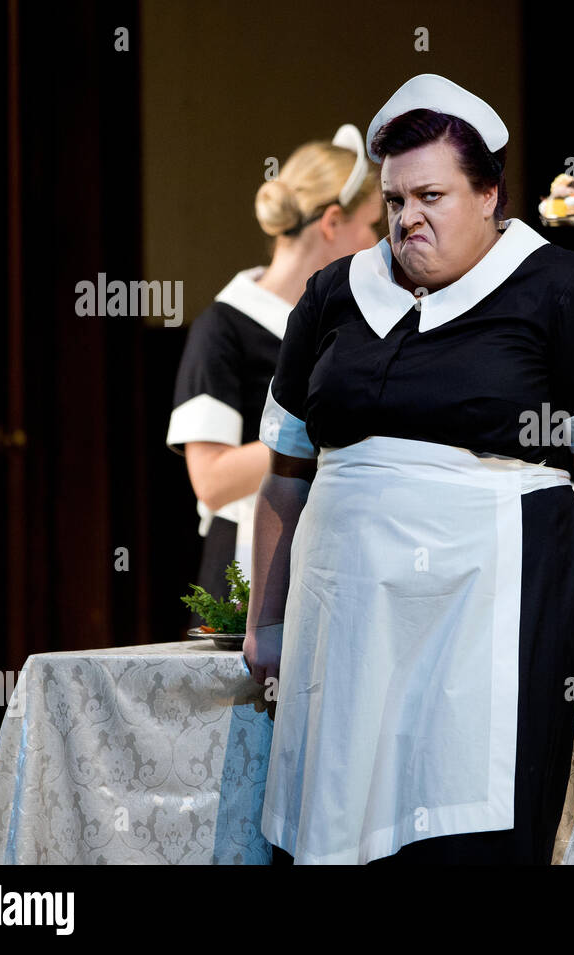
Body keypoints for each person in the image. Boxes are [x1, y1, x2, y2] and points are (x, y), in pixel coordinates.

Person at [243, 73, 574, 865]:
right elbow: (286, 472)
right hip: (346, 614)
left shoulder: (567, 294)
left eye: (432, 196)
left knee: (463, 825)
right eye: (394, 201)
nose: (407, 219)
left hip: (492, 609)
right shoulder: (333, 294)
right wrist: (266, 618)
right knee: (341, 818)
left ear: (491, 193)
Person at [166, 127, 384, 618]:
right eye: (371, 225)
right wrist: (320, 431)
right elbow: (212, 479)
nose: (377, 242)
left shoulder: (350, 320)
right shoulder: (224, 326)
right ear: (332, 223)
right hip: (247, 567)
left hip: (333, 557)